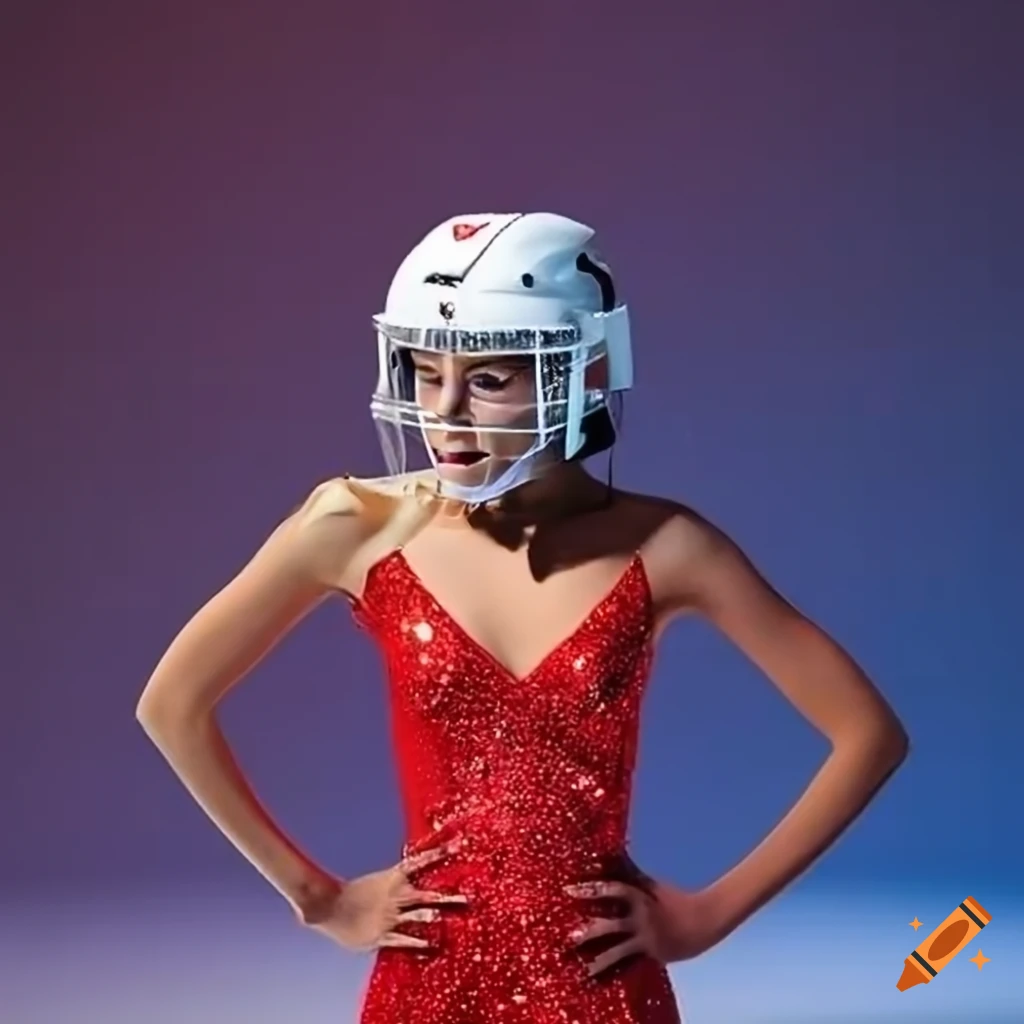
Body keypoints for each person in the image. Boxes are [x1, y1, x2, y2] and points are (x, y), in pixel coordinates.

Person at [136, 212, 910, 1022]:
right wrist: (318, 899)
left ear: (582, 371)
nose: (445, 410)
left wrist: (709, 916)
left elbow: (868, 734)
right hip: (428, 980)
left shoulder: (669, 546)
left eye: (490, 380)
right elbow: (172, 705)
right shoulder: (352, 527)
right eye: (424, 372)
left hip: (598, 982)